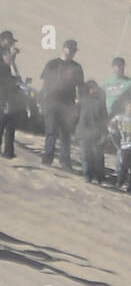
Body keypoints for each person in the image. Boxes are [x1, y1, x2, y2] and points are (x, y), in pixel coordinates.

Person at [39, 39, 83, 169]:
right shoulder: (52, 64)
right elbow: (44, 83)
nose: (71, 52)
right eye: (69, 49)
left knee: (65, 134)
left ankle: (65, 161)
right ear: (63, 48)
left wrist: (78, 104)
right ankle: (47, 158)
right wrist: (42, 100)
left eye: (74, 50)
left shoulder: (77, 67)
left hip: (68, 104)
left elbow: (80, 87)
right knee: (51, 131)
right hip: (52, 102)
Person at [107, 90, 131, 193]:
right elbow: (110, 127)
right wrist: (115, 136)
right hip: (124, 147)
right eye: (129, 106)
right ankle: (120, 184)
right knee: (123, 167)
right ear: (125, 106)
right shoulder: (119, 118)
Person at [75, 80, 109, 185]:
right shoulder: (81, 102)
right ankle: (87, 176)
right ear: (88, 89)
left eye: (95, 88)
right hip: (84, 132)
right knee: (86, 156)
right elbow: (75, 117)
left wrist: (104, 133)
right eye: (91, 88)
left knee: (98, 157)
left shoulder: (100, 103)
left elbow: (104, 119)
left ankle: (100, 177)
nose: (94, 90)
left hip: (97, 133)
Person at [0, 46, 20, 159]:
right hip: (4, 99)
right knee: (5, 124)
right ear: (5, 54)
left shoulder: (7, 67)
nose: (14, 58)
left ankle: (9, 152)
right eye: (12, 55)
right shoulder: (3, 67)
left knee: (8, 125)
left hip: (8, 100)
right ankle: (8, 152)